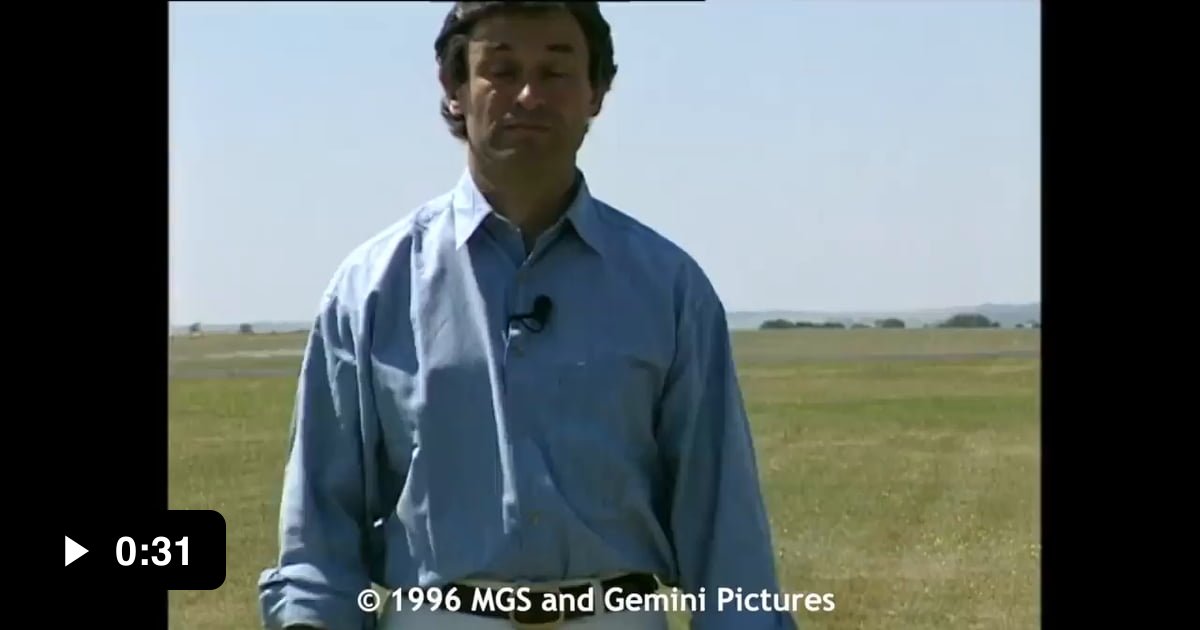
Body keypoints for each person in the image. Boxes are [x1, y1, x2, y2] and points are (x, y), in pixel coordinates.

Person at [258, 2, 796, 629]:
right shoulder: (371, 289)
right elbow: (321, 528)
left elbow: (721, 518)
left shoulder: (669, 288)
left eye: (556, 70)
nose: (529, 94)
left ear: (597, 91)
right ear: (455, 87)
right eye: (502, 68)